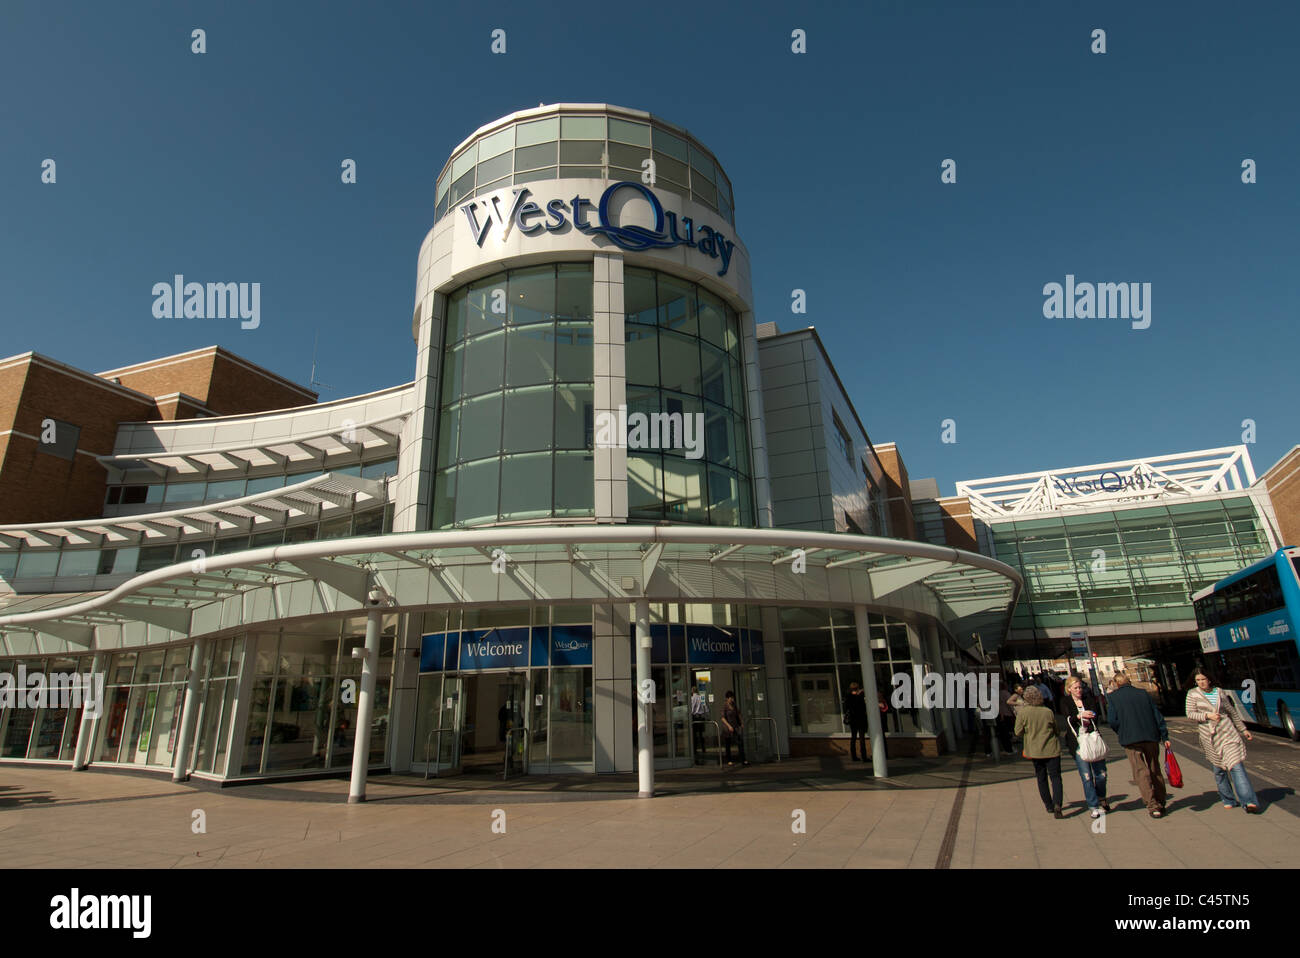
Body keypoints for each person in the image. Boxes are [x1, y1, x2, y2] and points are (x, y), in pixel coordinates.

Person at [1185, 670, 1260, 813]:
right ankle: (1228, 799)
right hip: (1210, 736)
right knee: (1219, 770)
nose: (1201, 682)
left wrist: (1243, 730)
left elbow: (1231, 711)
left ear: (1210, 679)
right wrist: (1208, 715)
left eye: (1203, 679)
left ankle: (1249, 801)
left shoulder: (1219, 692)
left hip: (1228, 733)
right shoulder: (1192, 694)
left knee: (1236, 766)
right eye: (1198, 680)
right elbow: (1190, 713)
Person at [1106, 672, 1171, 818]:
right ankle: (1161, 801)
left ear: (1116, 683)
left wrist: (1121, 731)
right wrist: (1164, 734)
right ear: (1129, 681)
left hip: (1130, 739)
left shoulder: (1113, 697)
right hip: (1151, 736)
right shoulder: (1143, 694)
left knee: (1141, 772)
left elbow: (1112, 720)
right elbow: (1157, 715)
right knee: (1155, 768)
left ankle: (1152, 805)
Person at [1058, 675, 1109, 818]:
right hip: (1078, 742)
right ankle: (1093, 806)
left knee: (1101, 774)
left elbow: (1096, 713)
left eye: (1080, 687)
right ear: (1069, 689)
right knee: (1086, 776)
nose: (1079, 690)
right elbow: (1067, 718)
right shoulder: (1065, 701)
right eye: (1075, 688)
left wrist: (1090, 714)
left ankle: (1101, 797)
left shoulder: (1088, 699)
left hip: (1093, 739)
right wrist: (1079, 716)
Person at [1014, 685, 1064, 818]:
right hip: (1051, 749)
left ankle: (1048, 805)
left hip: (1035, 750)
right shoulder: (1047, 711)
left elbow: (1017, 732)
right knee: (1056, 777)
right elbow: (1056, 730)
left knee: (1041, 778)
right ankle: (1058, 803)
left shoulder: (1023, 713)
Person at [843, 681, 870, 763]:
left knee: (853, 737)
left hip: (853, 719)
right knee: (861, 738)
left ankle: (854, 755)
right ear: (857, 688)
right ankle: (864, 756)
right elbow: (863, 706)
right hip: (860, 718)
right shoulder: (859, 697)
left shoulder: (848, 697)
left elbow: (846, 707)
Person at [720, 690, 748, 766]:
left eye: (732, 698)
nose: (732, 699)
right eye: (730, 698)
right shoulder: (725, 706)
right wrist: (729, 726)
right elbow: (722, 718)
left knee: (740, 742)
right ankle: (729, 760)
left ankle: (743, 759)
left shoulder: (734, 705)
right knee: (728, 744)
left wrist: (741, 723)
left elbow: (738, 714)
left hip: (735, 727)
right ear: (727, 698)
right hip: (727, 728)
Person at [689, 684, 709, 763]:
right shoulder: (702, 697)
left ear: (692, 691)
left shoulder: (692, 698)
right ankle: (703, 748)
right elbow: (706, 708)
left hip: (695, 717)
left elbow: (691, 709)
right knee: (701, 734)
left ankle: (695, 750)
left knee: (694, 734)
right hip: (701, 717)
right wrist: (707, 716)